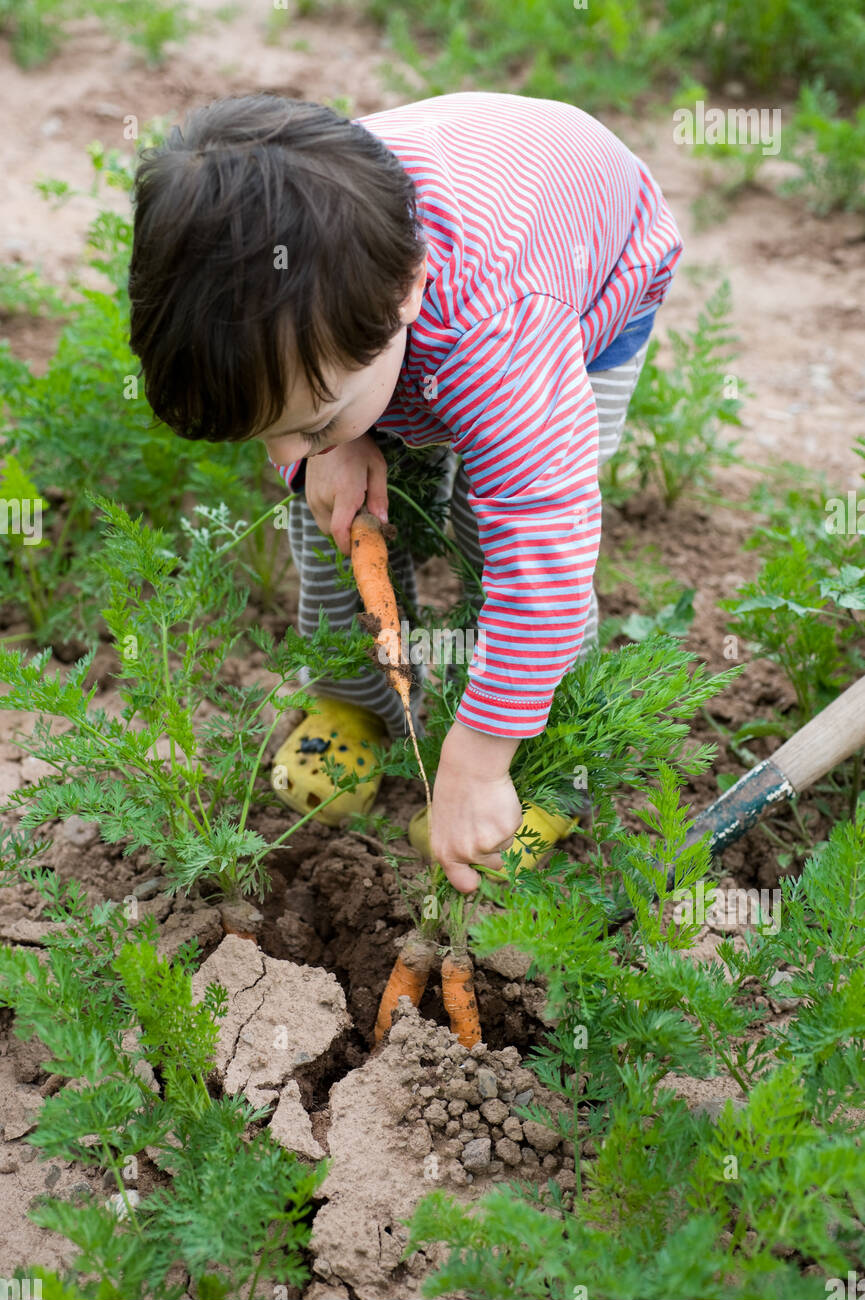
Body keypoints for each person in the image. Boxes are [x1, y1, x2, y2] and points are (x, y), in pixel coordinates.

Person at [128, 89, 683, 891]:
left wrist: (477, 761)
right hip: (393, 326)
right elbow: (301, 404)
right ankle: (354, 702)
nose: (284, 452)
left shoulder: (495, 333)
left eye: (308, 422)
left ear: (405, 297)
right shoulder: (283, 283)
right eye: (266, 433)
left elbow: (544, 549)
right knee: (338, 517)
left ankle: (551, 764)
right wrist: (329, 443)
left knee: (488, 527)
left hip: (593, 276)